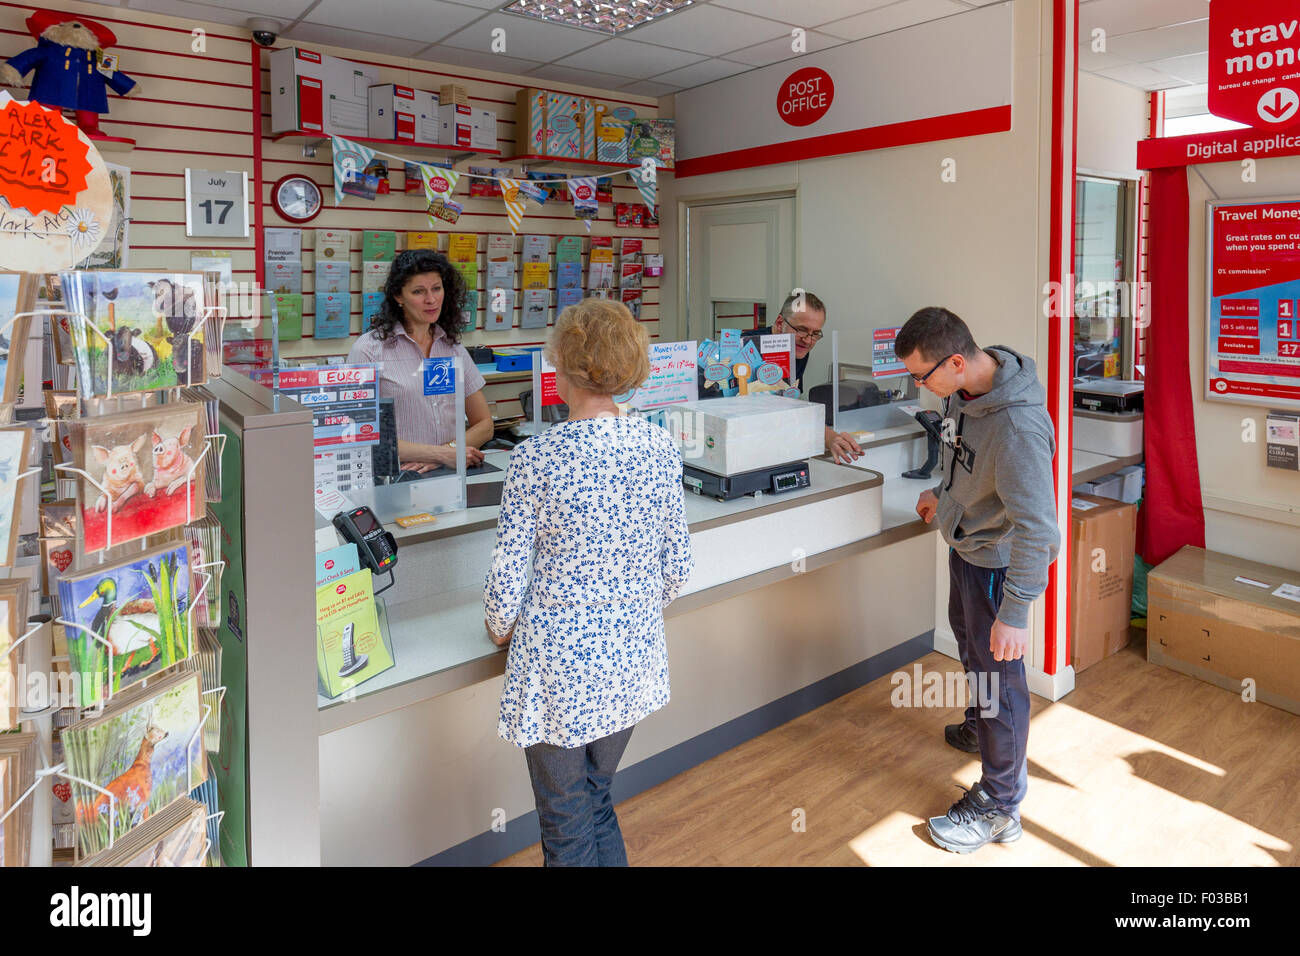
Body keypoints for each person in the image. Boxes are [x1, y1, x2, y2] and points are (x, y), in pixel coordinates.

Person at [483, 299, 694, 867]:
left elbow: (505, 588)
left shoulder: (536, 458)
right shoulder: (659, 447)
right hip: (632, 660)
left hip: (560, 673)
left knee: (566, 819)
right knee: (595, 799)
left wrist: (500, 629)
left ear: (561, 366)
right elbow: (677, 568)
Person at [896, 306, 1059, 854]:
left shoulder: (1017, 426)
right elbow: (963, 468)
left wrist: (1016, 612)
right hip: (967, 550)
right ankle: (981, 729)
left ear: (958, 360)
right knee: (971, 653)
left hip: (999, 568)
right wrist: (942, 501)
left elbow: (1040, 530)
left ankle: (1000, 804)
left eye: (922, 376)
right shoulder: (963, 393)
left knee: (1000, 684)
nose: (920, 387)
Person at [348, 250, 492, 473]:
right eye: (418, 291)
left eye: (436, 288)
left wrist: (446, 453)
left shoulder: (452, 348)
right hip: (396, 476)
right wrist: (441, 454)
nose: (431, 299)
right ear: (398, 296)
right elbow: (359, 432)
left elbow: (484, 423)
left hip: (451, 473)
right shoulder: (369, 350)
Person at [745, 290, 863, 465]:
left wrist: (829, 437)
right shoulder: (745, 348)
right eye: (802, 330)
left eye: (815, 334)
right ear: (779, 323)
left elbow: (790, 407)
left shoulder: (798, 351)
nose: (808, 341)